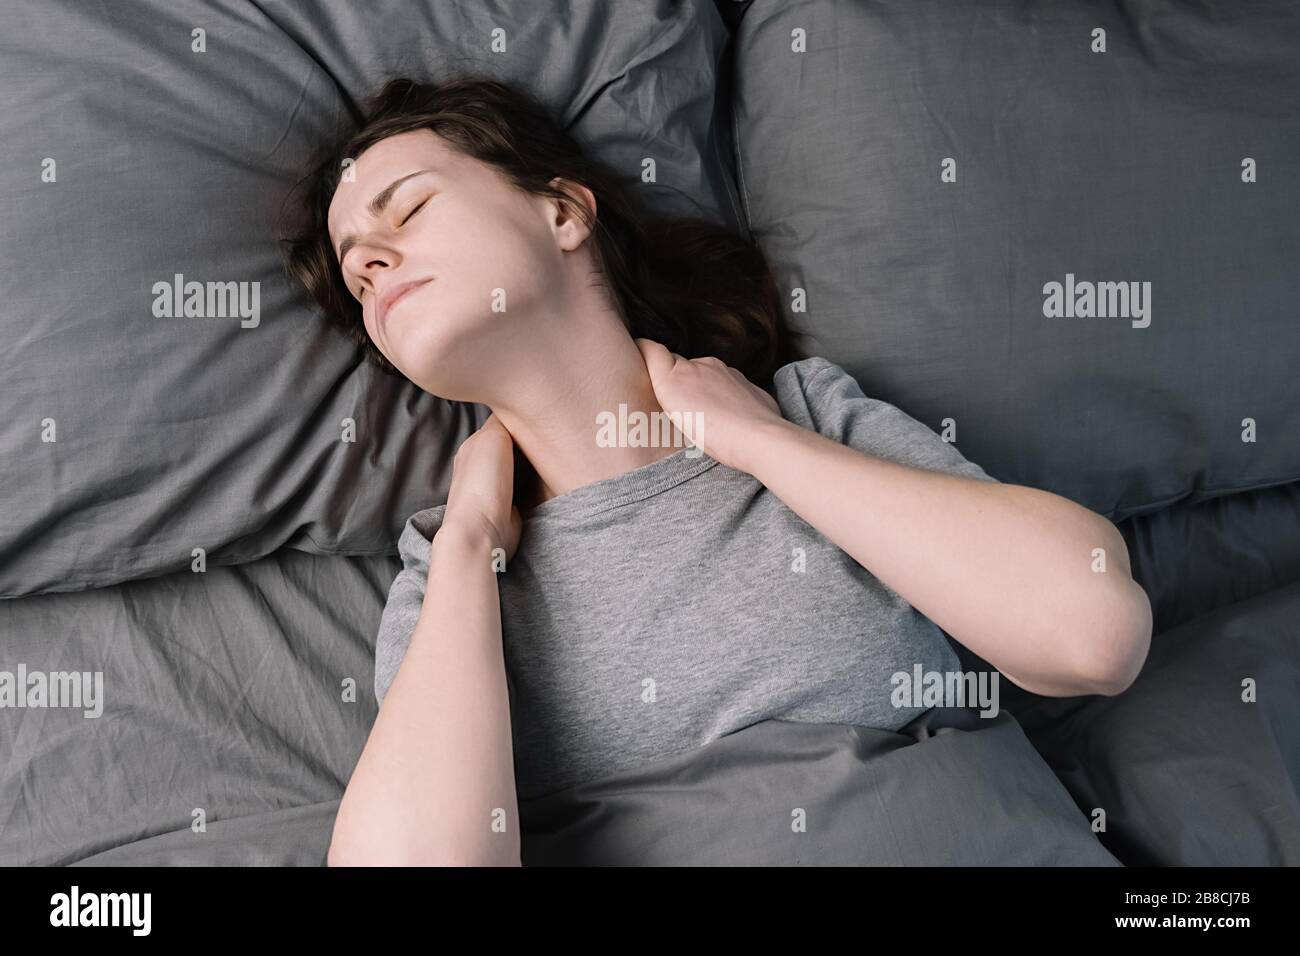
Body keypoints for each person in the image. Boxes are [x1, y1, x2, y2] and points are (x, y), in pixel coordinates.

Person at [280, 74, 1152, 867]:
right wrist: (471, 540)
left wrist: (759, 444)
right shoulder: (447, 574)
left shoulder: (809, 419)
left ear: (562, 213)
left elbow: (1095, 632)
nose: (369, 262)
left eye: (406, 211)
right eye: (357, 275)